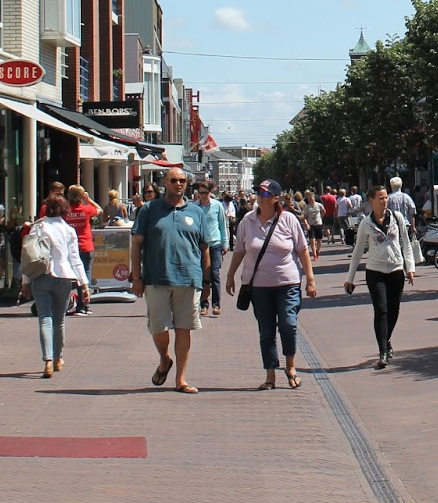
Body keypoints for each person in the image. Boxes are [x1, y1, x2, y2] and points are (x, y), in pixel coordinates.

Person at [226, 179, 316, 390]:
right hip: (259, 286)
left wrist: (310, 279)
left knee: (288, 324)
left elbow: (302, 250)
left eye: (265, 194)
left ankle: (291, 367)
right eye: (259, 193)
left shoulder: (289, 220)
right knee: (266, 331)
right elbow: (239, 250)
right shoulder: (247, 221)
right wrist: (230, 275)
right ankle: (270, 375)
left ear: (276, 198)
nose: (260, 197)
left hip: (288, 283)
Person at [129, 169, 208, 394]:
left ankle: (180, 379)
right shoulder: (149, 210)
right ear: (165, 183)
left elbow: (205, 249)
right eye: (173, 180)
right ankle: (164, 359)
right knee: (159, 328)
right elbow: (136, 245)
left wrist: (207, 280)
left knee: (185, 329)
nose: (178, 184)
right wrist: (137, 277)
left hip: (189, 278)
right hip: (156, 277)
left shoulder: (196, 211)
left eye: (182, 180)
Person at [344, 185, 417, 369]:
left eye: (386, 198)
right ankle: (383, 351)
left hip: (396, 270)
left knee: (394, 310)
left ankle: (387, 338)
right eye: (381, 198)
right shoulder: (365, 223)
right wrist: (350, 278)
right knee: (381, 310)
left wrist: (410, 267)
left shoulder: (397, 218)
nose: (385, 201)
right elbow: (358, 250)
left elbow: (406, 243)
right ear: (371, 201)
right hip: (375, 272)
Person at [27, 194, 89, 378]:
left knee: (44, 318)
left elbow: (29, 255)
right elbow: (75, 259)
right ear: (65, 209)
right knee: (59, 320)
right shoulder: (68, 230)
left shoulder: (38, 226)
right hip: (64, 276)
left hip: (42, 275)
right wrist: (83, 284)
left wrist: (25, 281)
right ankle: (57, 358)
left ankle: (47, 360)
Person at [63, 185, 102, 315]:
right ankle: (83, 305)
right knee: (84, 276)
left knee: (67, 276)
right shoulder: (86, 209)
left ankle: (66, 303)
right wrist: (88, 199)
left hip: (69, 248)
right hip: (85, 246)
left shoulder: (65, 211)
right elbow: (99, 209)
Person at [194, 182, 228, 316]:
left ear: (210, 193)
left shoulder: (217, 206)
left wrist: (225, 243)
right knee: (202, 275)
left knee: (214, 274)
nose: (203, 196)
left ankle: (216, 304)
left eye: (205, 193)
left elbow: (222, 225)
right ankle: (203, 304)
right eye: (200, 193)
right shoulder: (194, 207)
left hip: (214, 244)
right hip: (199, 245)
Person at [302, 191, 325, 260]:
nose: (311, 200)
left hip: (318, 223)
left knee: (319, 239)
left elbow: (323, 211)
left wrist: (321, 217)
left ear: (314, 198)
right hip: (311, 225)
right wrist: (306, 224)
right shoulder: (307, 207)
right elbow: (304, 217)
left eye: (312, 198)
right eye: (309, 199)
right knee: (312, 239)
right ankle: (314, 254)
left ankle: (317, 251)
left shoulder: (319, 205)